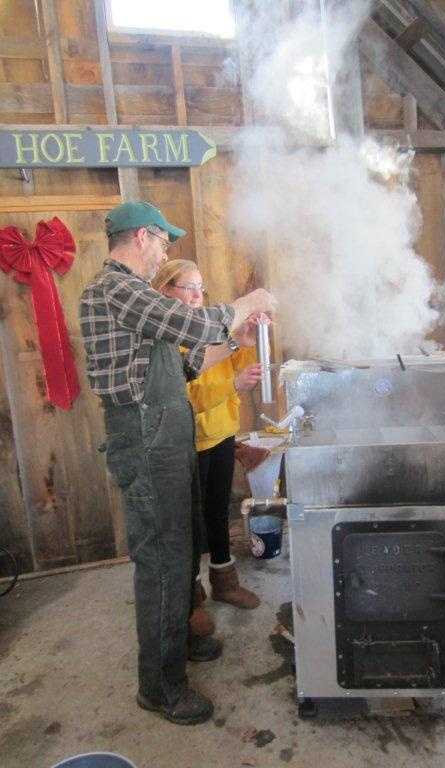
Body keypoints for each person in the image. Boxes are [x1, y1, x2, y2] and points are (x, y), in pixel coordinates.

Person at [79, 201, 276, 726]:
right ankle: (161, 687)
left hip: (166, 440)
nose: (166, 251)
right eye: (164, 242)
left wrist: (235, 331)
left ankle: (181, 645)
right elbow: (193, 321)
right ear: (142, 236)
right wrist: (248, 300)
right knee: (163, 564)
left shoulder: (134, 297)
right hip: (146, 444)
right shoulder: (115, 289)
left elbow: (188, 361)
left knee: (182, 549)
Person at [152, 260, 262, 639]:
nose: (198, 295)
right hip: (188, 442)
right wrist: (233, 385)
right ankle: (191, 598)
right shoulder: (167, 337)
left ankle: (225, 581)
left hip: (220, 434)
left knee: (217, 512)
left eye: (201, 287)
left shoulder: (210, 328)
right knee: (188, 525)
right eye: (188, 287)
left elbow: (237, 364)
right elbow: (187, 397)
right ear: (165, 292)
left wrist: (247, 339)